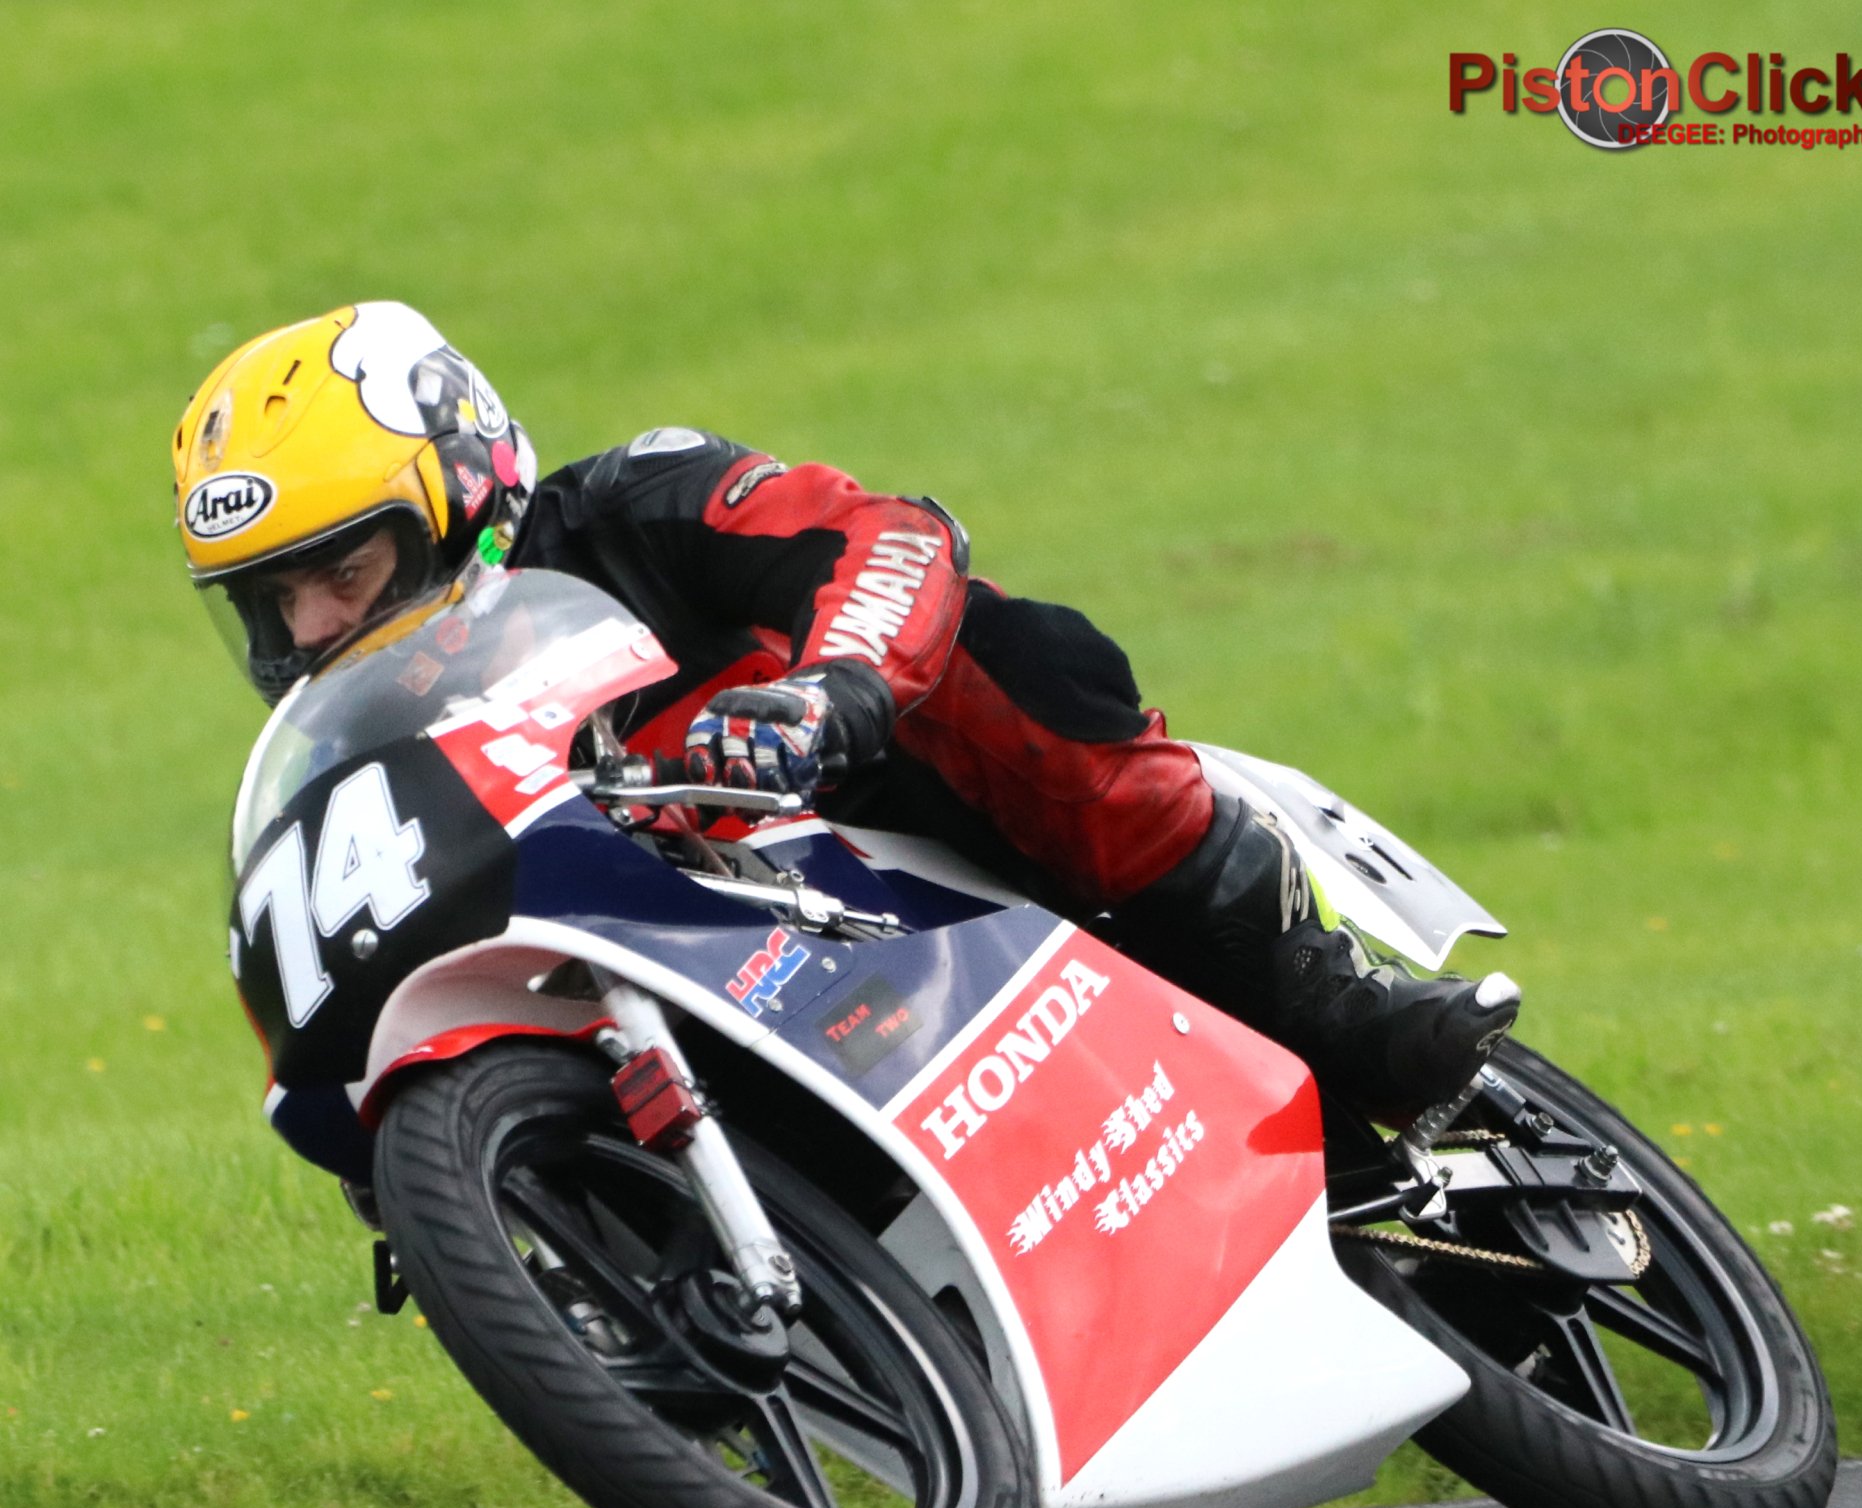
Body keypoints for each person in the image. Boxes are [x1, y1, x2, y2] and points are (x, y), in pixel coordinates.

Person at [173, 301, 1517, 1120]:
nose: (310, 631)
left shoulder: (635, 504)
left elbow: (890, 540)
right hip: (732, 989)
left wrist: (827, 691)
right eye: (267, 604)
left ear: (463, 487)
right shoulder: (372, 766)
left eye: (339, 572)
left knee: (1012, 657)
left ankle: (1337, 1007)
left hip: (908, 832)